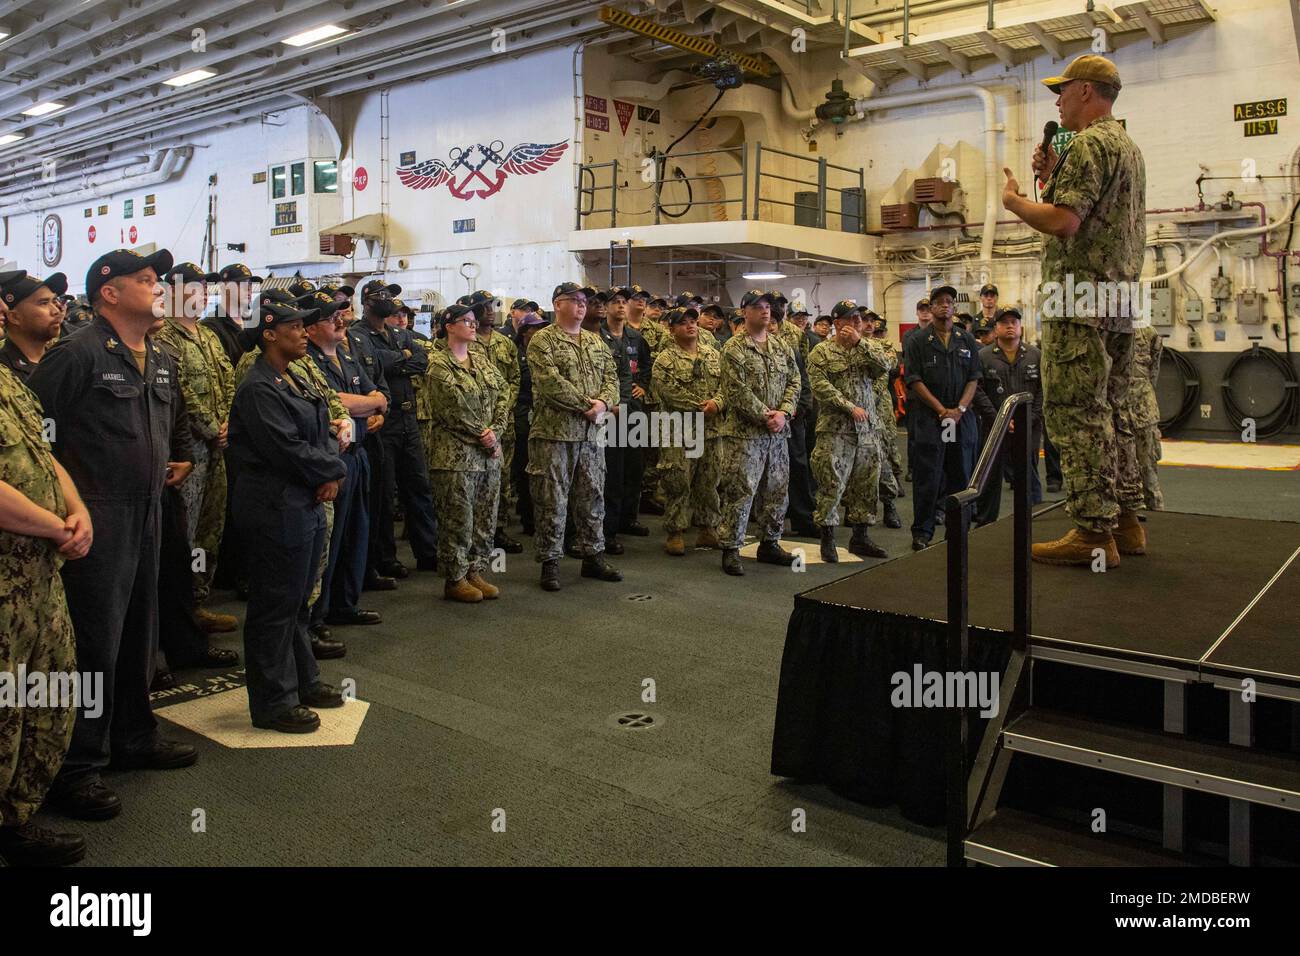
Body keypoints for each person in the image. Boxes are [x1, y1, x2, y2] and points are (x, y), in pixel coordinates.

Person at [30, 249, 198, 821]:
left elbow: (169, 422)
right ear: (109, 292)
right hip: (97, 512)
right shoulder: (77, 354)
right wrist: (62, 507)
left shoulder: (161, 356)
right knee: (94, 641)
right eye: (146, 280)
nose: (159, 287)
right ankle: (76, 765)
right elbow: (34, 434)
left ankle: (133, 735)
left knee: (139, 631)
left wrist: (178, 457)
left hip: (149, 508)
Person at [1002, 53, 1146, 566]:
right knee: (1114, 409)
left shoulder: (1087, 144)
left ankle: (1091, 533)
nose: (1057, 101)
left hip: (1077, 300)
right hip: (1118, 300)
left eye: (1062, 90)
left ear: (1086, 91)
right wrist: (1052, 175)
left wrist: (1015, 202)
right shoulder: (1126, 145)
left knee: (1077, 412)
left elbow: (1065, 222)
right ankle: (1125, 520)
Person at [227, 298, 348, 733]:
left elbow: (324, 429)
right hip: (275, 506)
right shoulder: (259, 387)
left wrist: (328, 470)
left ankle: (302, 679)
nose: (303, 333)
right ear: (269, 334)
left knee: (297, 602)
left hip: (304, 500)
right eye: (294, 327)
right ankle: (273, 702)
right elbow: (286, 449)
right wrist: (333, 470)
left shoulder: (292, 377)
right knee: (274, 605)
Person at [0, 356, 92, 865]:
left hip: (38, 576)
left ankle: (16, 817)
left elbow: (45, 455)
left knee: (50, 698)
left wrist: (77, 511)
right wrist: (57, 527)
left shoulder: (8, 381)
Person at [156, 262, 238, 634]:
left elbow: (229, 381)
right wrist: (211, 428)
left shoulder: (208, 335)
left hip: (217, 450)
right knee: (183, 535)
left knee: (209, 530)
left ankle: (198, 599)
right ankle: (176, 611)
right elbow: (181, 392)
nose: (203, 293)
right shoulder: (164, 336)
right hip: (190, 452)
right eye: (195, 287)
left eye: (206, 287)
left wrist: (228, 422)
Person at [525, 282, 621, 591]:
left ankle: (593, 556)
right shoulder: (543, 340)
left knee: (593, 496)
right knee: (551, 500)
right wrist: (587, 406)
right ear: (557, 304)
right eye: (575, 300)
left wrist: (603, 403)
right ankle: (550, 562)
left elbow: (612, 378)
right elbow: (549, 383)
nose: (582, 305)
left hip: (591, 436)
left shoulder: (596, 342)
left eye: (584, 301)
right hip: (554, 435)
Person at [305, 290, 387, 635]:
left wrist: (371, 404)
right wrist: (369, 404)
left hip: (359, 453)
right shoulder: (308, 361)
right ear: (310, 327)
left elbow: (379, 395)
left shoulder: (346, 356)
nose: (341, 321)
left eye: (340, 314)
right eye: (331, 317)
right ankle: (317, 615)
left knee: (356, 531)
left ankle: (344, 603)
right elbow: (334, 401)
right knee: (331, 539)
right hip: (332, 458)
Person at [425, 303, 511, 601]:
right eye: (466, 321)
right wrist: (484, 436)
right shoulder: (438, 365)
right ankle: (455, 577)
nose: (473, 325)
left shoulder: (482, 361)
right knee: (458, 519)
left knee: (485, 518)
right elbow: (452, 410)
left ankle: (475, 570)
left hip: (488, 456)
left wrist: (496, 431)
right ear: (449, 326)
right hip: (456, 457)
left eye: (475, 321)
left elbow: (504, 393)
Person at [355, 279, 439, 575]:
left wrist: (396, 359)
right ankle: (385, 558)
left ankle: (428, 552)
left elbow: (422, 360)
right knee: (384, 495)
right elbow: (371, 366)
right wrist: (402, 356)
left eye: (391, 295)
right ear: (367, 301)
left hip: (408, 419)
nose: (388, 300)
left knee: (419, 488)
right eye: (382, 295)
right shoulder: (357, 335)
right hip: (383, 422)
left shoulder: (399, 333)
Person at [716, 290, 800, 575]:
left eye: (767, 306)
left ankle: (770, 542)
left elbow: (795, 381)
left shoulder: (781, 346)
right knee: (741, 491)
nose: (765, 311)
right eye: (757, 306)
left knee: (776, 490)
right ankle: (731, 548)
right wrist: (768, 416)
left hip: (777, 434)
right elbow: (736, 391)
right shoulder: (733, 348)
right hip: (746, 435)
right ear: (744, 312)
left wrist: (784, 413)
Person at [807, 301, 892, 561]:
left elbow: (885, 367)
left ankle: (860, 536)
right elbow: (820, 386)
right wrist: (848, 406)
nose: (856, 322)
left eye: (859, 318)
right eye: (850, 319)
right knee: (831, 483)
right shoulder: (821, 352)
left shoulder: (868, 347)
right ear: (837, 323)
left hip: (866, 430)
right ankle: (827, 537)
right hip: (835, 429)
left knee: (866, 484)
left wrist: (859, 342)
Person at [902, 284, 982, 551]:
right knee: (928, 477)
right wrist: (941, 410)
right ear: (931, 307)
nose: (945, 305)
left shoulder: (966, 339)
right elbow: (914, 380)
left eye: (949, 301)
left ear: (954, 307)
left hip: (961, 419)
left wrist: (959, 410)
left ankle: (957, 530)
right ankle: (922, 531)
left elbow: (974, 378)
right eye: (939, 301)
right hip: (930, 419)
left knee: (961, 475)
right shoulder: (917, 340)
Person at [651, 307, 723, 556]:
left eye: (693, 321)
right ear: (671, 329)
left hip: (711, 429)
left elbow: (727, 385)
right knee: (677, 481)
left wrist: (718, 403)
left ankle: (708, 527)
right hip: (678, 430)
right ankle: (676, 531)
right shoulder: (665, 360)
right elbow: (669, 392)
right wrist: (703, 406)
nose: (690, 325)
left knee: (709, 479)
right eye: (683, 323)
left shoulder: (713, 355)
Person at [463, 291, 523, 554]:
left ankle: (497, 529)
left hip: (503, 423)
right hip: (474, 425)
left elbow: (514, 379)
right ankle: (471, 533)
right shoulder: (465, 341)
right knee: (472, 480)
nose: (490, 310)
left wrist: (502, 409)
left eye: (492, 306)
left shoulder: (505, 343)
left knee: (502, 477)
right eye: (483, 306)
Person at [974, 307, 1044, 525]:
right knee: (991, 476)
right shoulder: (984, 356)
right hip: (995, 427)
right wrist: (999, 419)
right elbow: (978, 391)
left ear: (1020, 327)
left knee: (1028, 474)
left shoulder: (1035, 355)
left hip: (1028, 427)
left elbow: (1042, 391)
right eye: (1004, 323)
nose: (1010, 326)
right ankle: (986, 523)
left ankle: (1032, 521)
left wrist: (1030, 419)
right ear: (996, 328)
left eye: (1014, 322)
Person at [863, 310, 904, 529]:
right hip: (854, 411)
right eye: (865, 320)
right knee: (856, 463)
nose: (870, 324)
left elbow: (886, 369)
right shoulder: (842, 347)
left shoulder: (883, 346)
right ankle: (854, 510)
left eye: (872, 321)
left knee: (885, 454)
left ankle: (889, 505)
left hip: (879, 408)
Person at [0, 271, 67, 383]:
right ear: (15, 317)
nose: (56, 311)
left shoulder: (64, 357)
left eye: (54, 301)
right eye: (44, 303)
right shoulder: (4, 370)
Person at [1130, 324, 1164, 510]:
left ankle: (1155, 510)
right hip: (1117, 410)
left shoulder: (1149, 333)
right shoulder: (1106, 331)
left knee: (1148, 466)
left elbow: (1154, 372)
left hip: (1144, 410)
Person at [201, 262, 260, 368]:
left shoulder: (252, 322)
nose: (248, 289)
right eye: (242, 284)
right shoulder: (211, 326)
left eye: (250, 284)